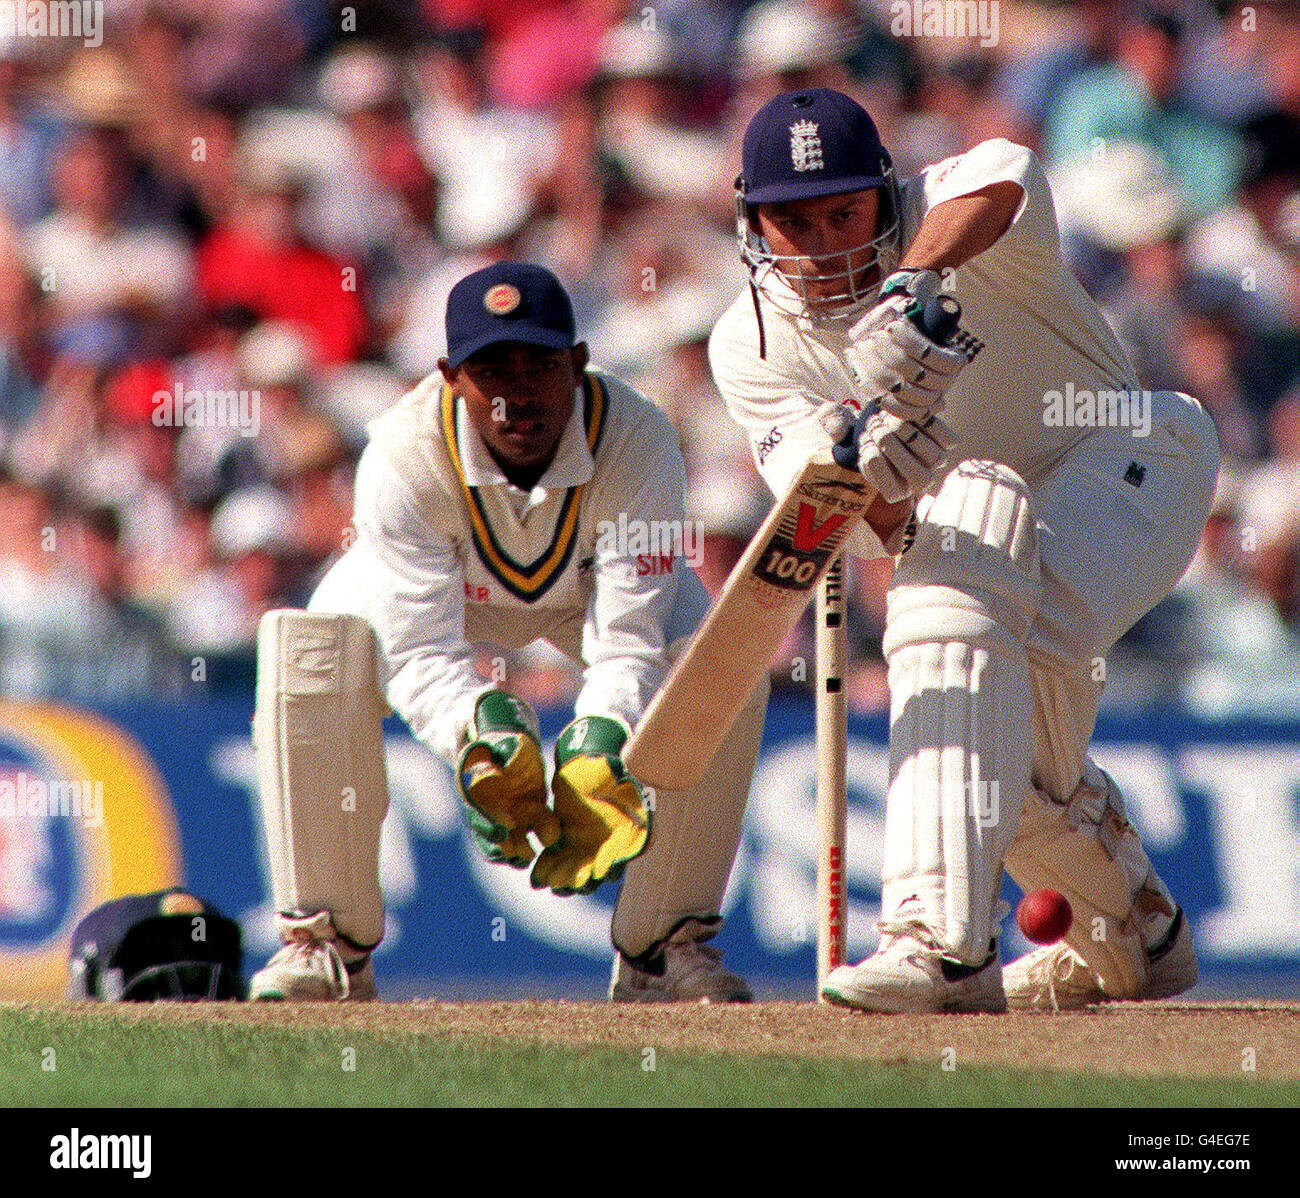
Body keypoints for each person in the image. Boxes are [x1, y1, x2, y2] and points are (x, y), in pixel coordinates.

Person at [709, 87, 1219, 1012]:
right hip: (972, 548)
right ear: (752, 222)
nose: (824, 245)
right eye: (795, 223)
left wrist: (913, 284)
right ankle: (1136, 928)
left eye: (844, 214)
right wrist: (881, 473)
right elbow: (862, 528)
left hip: (1129, 460)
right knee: (979, 669)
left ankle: (940, 945)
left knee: (972, 574)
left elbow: (1008, 173)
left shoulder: (947, 208)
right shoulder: (749, 348)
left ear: (886, 198)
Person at [248, 261, 763, 1003]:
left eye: (541, 366)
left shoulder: (640, 440)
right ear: (451, 375)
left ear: (578, 365)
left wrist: (600, 740)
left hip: (587, 591)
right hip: (453, 589)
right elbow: (421, 648)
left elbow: (630, 638)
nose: (519, 392)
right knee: (311, 652)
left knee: (719, 671)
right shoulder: (403, 452)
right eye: (493, 369)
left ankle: (666, 947)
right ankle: (324, 942)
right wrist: (478, 730)